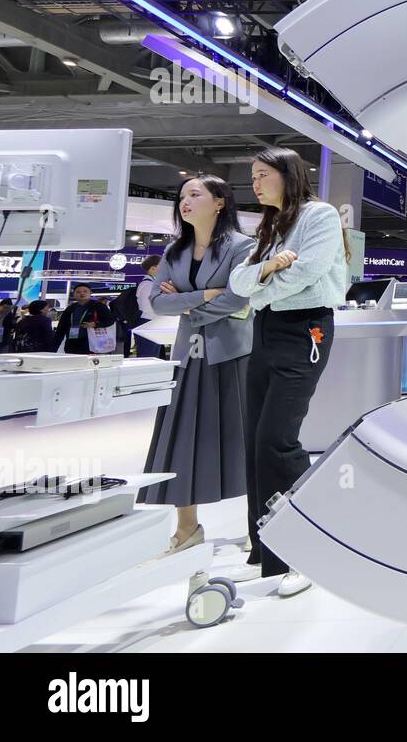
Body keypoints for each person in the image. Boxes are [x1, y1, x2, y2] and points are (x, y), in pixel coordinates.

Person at [227, 147, 349, 598]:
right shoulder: (270, 226)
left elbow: (310, 271)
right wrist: (270, 268)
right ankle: (267, 552)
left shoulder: (318, 215)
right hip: (266, 329)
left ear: (287, 175)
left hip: (306, 329)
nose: (255, 183)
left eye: (262, 175)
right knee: (256, 443)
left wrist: (261, 284)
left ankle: (305, 550)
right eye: (252, 176)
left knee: (277, 441)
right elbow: (238, 283)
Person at [138, 175, 254, 556]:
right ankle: (187, 528)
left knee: (244, 443)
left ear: (219, 202)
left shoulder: (243, 247)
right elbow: (158, 303)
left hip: (234, 355)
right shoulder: (174, 252)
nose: (184, 201)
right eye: (181, 196)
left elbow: (239, 299)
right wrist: (204, 295)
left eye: (194, 194)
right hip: (188, 356)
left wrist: (186, 301)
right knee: (181, 442)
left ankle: (258, 528)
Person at [51, 283, 116, 355]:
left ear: (90, 293)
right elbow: (61, 328)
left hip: (91, 342)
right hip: (72, 342)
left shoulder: (98, 306)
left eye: (85, 291)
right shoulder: (71, 308)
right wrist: (53, 349)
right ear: (74, 294)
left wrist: (95, 324)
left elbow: (110, 320)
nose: (82, 293)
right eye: (78, 292)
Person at [133, 255, 163, 358]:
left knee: (152, 355)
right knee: (148, 356)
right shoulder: (148, 285)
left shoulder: (152, 284)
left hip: (152, 323)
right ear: (153, 268)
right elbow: (147, 308)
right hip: (148, 323)